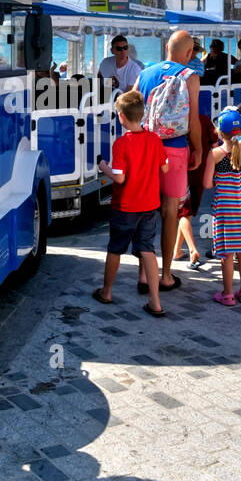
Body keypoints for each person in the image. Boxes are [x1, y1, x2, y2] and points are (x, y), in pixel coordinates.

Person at [135, 30, 202, 294]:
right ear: (188, 53)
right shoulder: (189, 76)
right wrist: (197, 148)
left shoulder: (144, 74)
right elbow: (193, 119)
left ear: (166, 47)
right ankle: (165, 275)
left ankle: (143, 274)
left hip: (146, 149)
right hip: (175, 149)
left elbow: (131, 107)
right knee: (170, 211)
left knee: (146, 211)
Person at [93, 91, 169, 317]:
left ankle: (106, 291)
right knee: (147, 249)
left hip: (125, 206)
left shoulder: (121, 144)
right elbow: (164, 168)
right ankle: (155, 301)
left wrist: (103, 166)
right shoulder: (154, 139)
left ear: (121, 116)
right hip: (149, 205)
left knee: (115, 248)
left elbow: (119, 178)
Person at [204, 108, 241, 306]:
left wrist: (221, 182)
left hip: (224, 211)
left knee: (226, 254)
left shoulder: (215, 155)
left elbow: (207, 184)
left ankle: (227, 293)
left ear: (220, 132)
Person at [172, 110, 215, 271]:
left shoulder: (176, 119)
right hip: (201, 172)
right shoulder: (204, 119)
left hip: (182, 170)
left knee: (183, 212)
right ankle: (177, 251)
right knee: (186, 213)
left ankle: (191, 250)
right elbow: (215, 144)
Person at [96, 33, 143, 99]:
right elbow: (98, 81)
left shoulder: (134, 69)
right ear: (112, 51)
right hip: (104, 101)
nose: (123, 51)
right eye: (119, 48)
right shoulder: (105, 63)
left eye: (125, 48)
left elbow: (129, 96)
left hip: (123, 104)